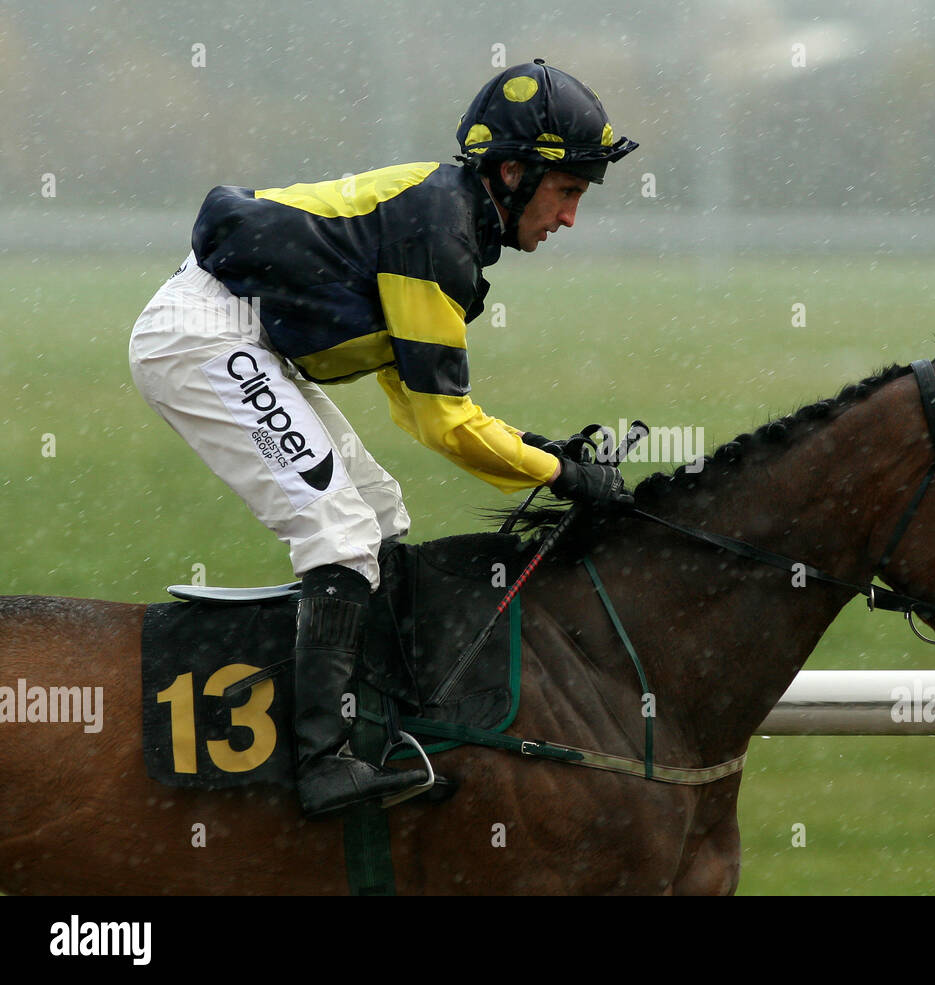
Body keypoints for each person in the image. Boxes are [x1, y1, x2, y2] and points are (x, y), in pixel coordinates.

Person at [128, 59, 637, 818]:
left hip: (246, 338)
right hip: (200, 337)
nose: (569, 217)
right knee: (336, 533)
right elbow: (441, 421)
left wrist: (542, 453)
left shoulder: (451, 222)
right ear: (510, 172)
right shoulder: (441, 232)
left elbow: (418, 400)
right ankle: (322, 762)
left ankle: (379, 716)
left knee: (379, 509)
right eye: (567, 192)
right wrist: (561, 475)